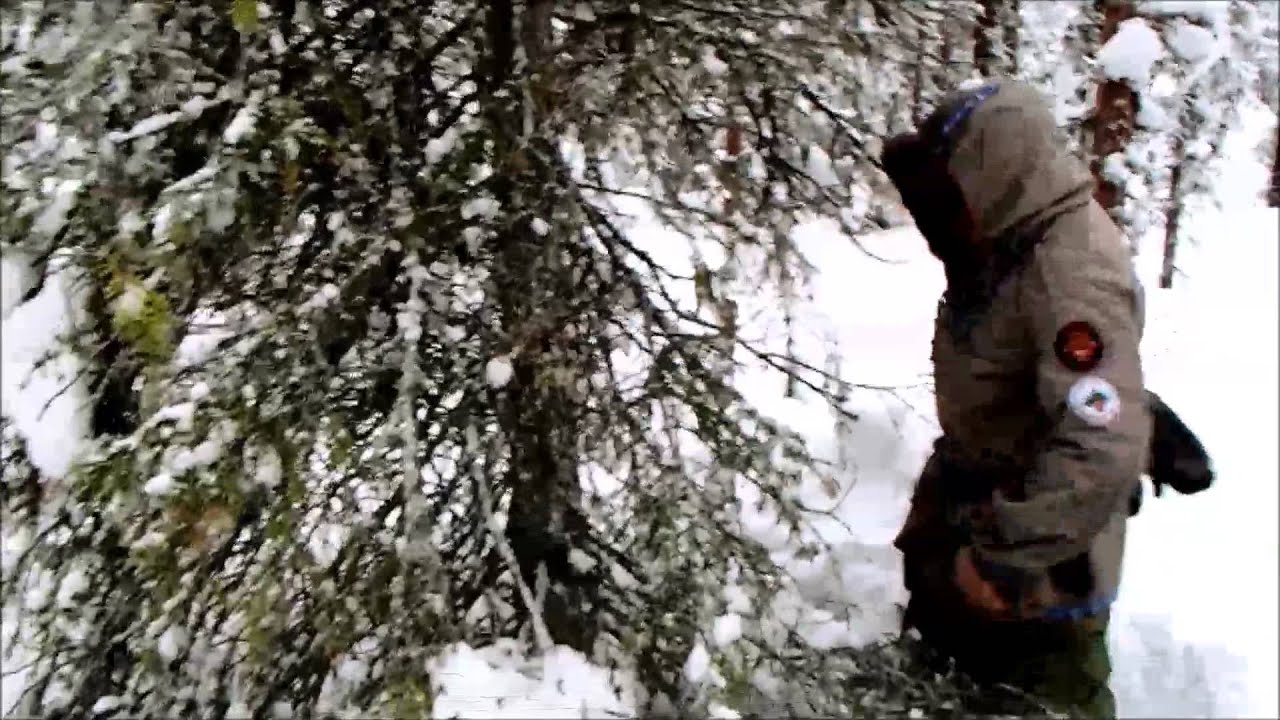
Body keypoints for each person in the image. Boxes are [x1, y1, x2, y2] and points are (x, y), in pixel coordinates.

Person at [880, 78, 1153, 718]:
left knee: (1042, 700)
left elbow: (1098, 441)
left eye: (949, 195)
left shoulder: (1068, 269)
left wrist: (1003, 559)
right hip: (977, 519)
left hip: (1038, 570)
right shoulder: (1012, 242)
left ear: (989, 173)